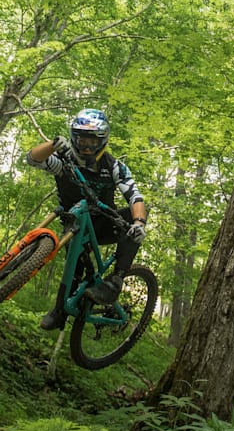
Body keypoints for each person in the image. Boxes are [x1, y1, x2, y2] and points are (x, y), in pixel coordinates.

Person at [25, 108, 147, 330]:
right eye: (81, 140)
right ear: (74, 138)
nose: (86, 147)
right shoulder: (64, 161)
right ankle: (60, 310)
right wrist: (53, 145)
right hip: (75, 223)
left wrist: (139, 222)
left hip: (105, 224)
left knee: (133, 220)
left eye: (92, 141)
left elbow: (134, 196)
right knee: (75, 266)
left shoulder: (113, 167)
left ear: (102, 141)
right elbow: (33, 159)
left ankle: (115, 281)